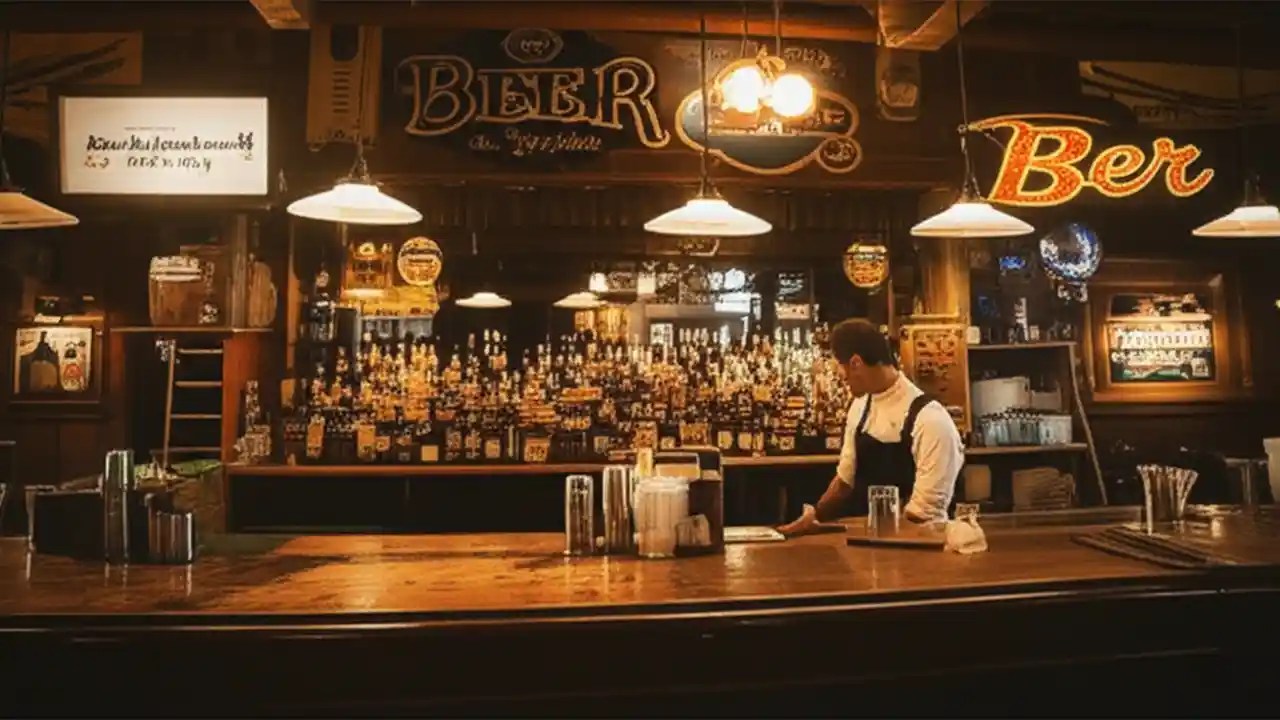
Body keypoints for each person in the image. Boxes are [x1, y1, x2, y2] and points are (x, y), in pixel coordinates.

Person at [778, 319, 964, 534]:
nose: (841, 376)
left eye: (840, 365)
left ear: (856, 363)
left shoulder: (931, 420)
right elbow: (844, 482)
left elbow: (923, 513)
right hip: (869, 545)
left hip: (919, 550)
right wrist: (814, 517)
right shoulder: (860, 407)